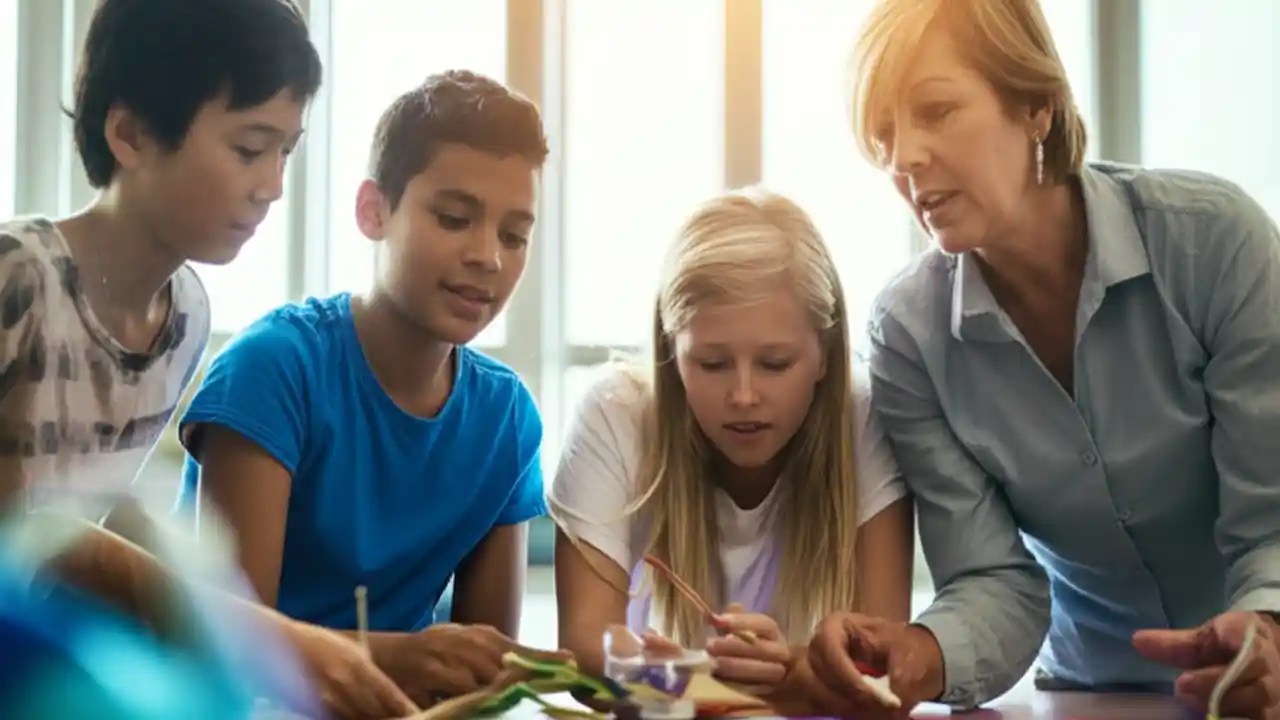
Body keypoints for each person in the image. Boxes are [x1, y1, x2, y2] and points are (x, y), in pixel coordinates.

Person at [806, 0, 1280, 718]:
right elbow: (991, 577)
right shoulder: (907, 335)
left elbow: (1270, 521)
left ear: (1037, 106)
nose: (902, 158)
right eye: (883, 134)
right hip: (1091, 694)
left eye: (935, 111)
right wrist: (919, 655)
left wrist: (1268, 629)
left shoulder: (1214, 244)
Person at [0, 1, 417, 717]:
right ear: (130, 133)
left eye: (286, 152)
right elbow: (26, 540)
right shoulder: (19, 277)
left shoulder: (185, 317)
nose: (273, 186)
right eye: (250, 149)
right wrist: (272, 637)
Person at [178, 69, 555, 708]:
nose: (488, 257)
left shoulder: (505, 418)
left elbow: (482, 673)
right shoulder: (274, 369)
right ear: (373, 210)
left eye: (514, 235)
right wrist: (402, 654)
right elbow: (229, 645)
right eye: (455, 217)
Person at [550, 188, 914, 707]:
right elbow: (585, 655)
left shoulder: (864, 416)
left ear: (826, 357)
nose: (743, 396)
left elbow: (881, 672)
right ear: (670, 354)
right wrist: (786, 682)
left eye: (775, 363)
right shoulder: (618, 413)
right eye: (712, 364)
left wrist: (780, 672)